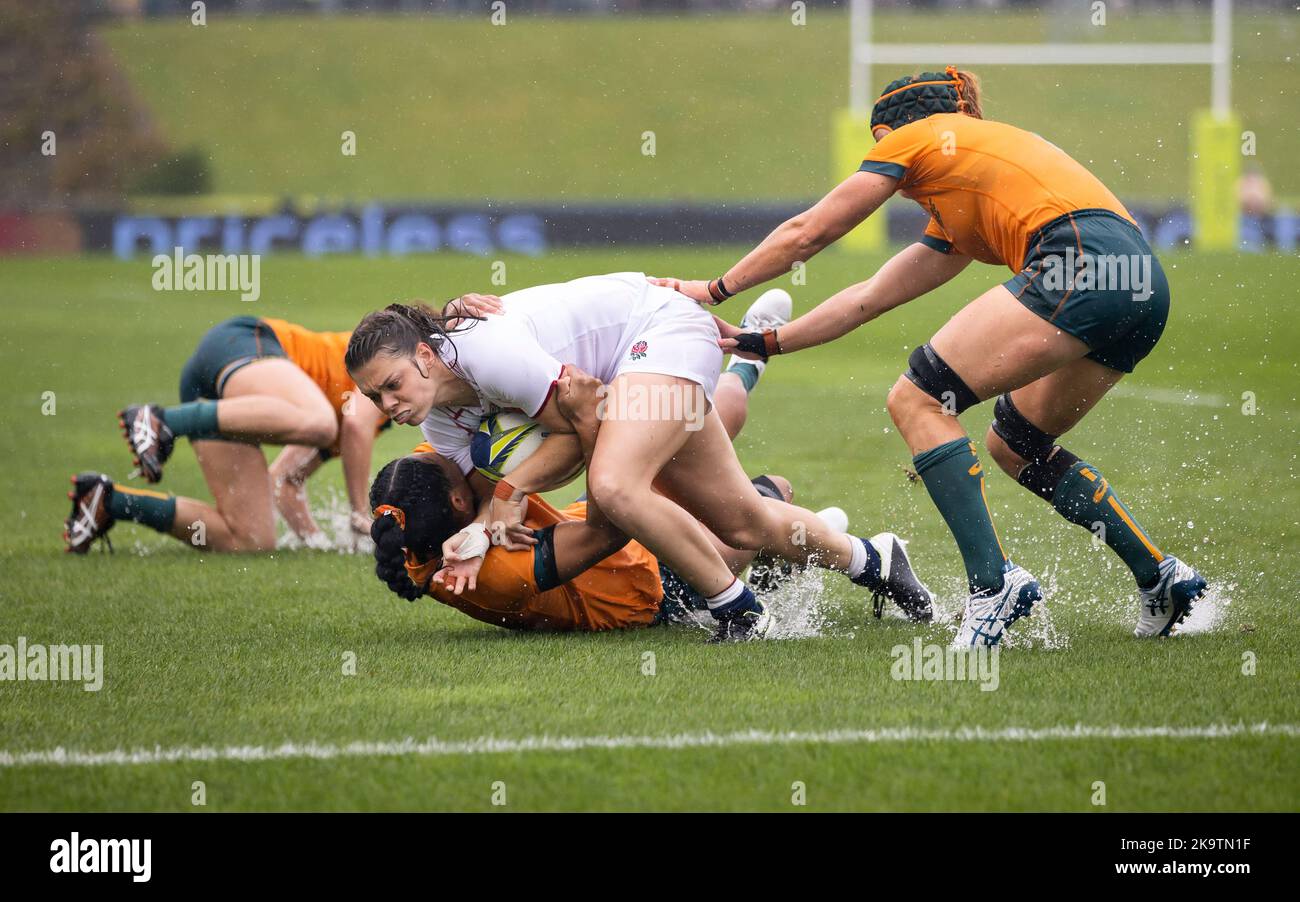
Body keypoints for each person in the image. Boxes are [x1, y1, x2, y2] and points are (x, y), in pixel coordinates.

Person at [652, 68, 1206, 646]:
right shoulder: (965, 193)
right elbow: (870, 297)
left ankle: (996, 587)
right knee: (1016, 444)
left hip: (1078, 259)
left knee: (917, 399)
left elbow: (808, 232)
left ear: (891, 130)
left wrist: (714, 289)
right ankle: (1160, 576)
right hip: (1140, 280)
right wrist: (766, 342)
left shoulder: (913, 137)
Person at [347, 275, 934, 642]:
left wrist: (511, 492)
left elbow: (584, 425)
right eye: (375, 397)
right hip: (625, 370)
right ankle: (873, 560)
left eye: (392, 384)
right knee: (743, 520)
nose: (387, 403)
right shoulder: (438, 418)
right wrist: (478, 533)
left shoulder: (489, 355)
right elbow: (482, 491)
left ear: (425, 354)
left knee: (617, 485)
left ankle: (741, 614)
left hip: (656, 332)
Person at [63, 299, 494, 554]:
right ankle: (162, 421)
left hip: (217, 393)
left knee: (250, 539)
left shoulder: (373, 409)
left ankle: (107, 501)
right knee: (321, 421)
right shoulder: (391, 381)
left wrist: (314, 540)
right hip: (243, 343)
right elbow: (355, 427)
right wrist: (360, 518)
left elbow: (284, 481)